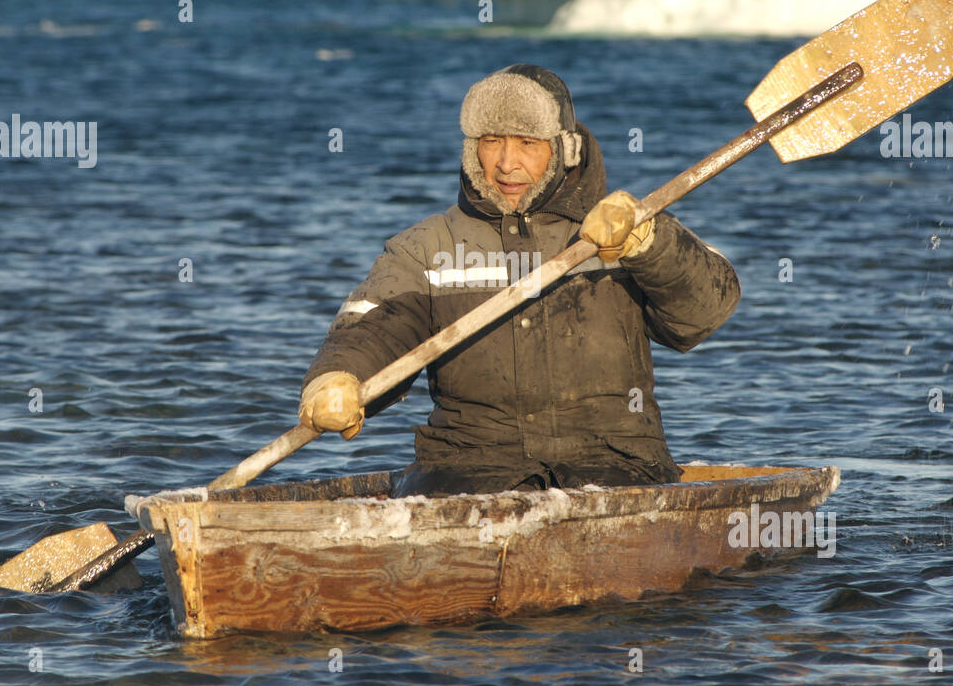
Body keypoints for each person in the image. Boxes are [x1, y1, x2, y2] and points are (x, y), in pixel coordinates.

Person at [298, 63, 740, 496]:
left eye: (527, 142)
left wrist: (652, 243)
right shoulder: (427, 247)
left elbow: (703, 313)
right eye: (491, 141)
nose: (507, 163)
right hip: (465, 473)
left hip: (619, 469)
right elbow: (373, 326)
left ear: (565, 150)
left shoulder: (625, 229)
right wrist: (338, 378)